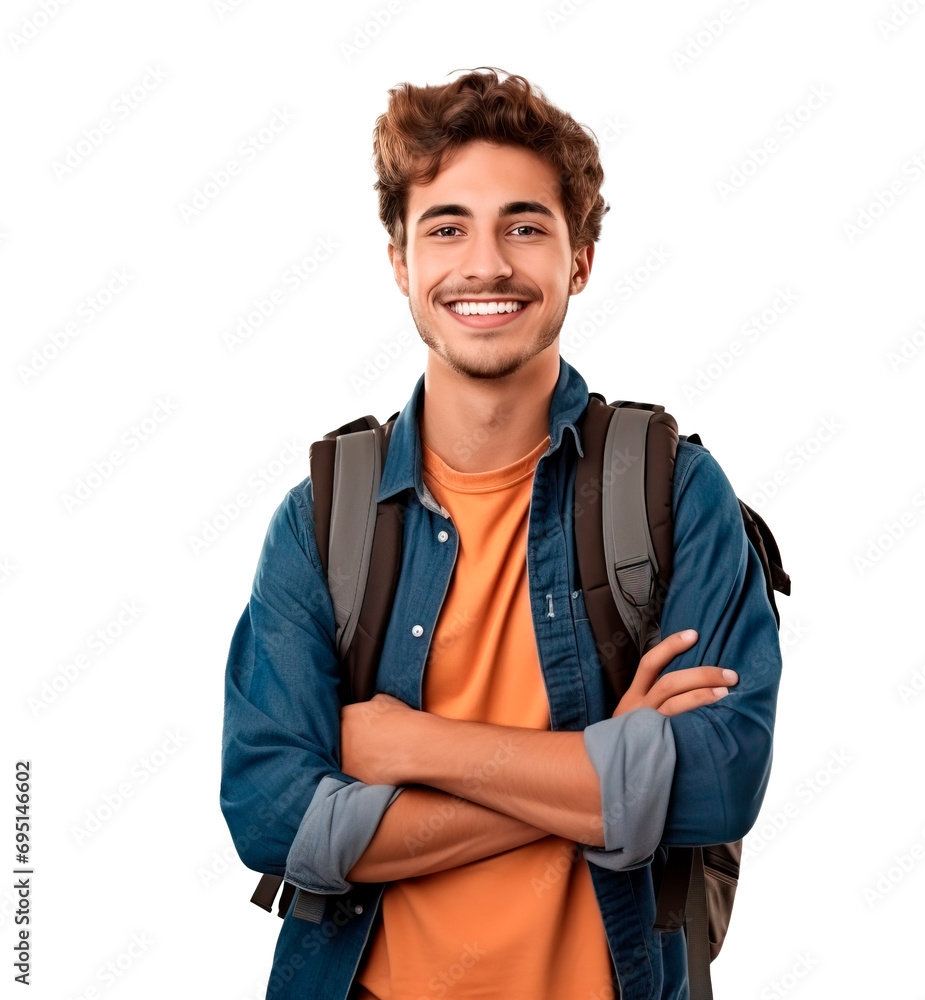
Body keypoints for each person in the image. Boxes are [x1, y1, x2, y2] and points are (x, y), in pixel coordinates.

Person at [220, 66, 782, 1000]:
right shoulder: (323, 518)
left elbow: (719, 784)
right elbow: (271, 814)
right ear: (400, 262)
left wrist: (415, 745)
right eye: (447, 228)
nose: (486, 264)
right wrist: (607, 771)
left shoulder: (673, 494)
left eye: (525, 226)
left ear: (581, 260)